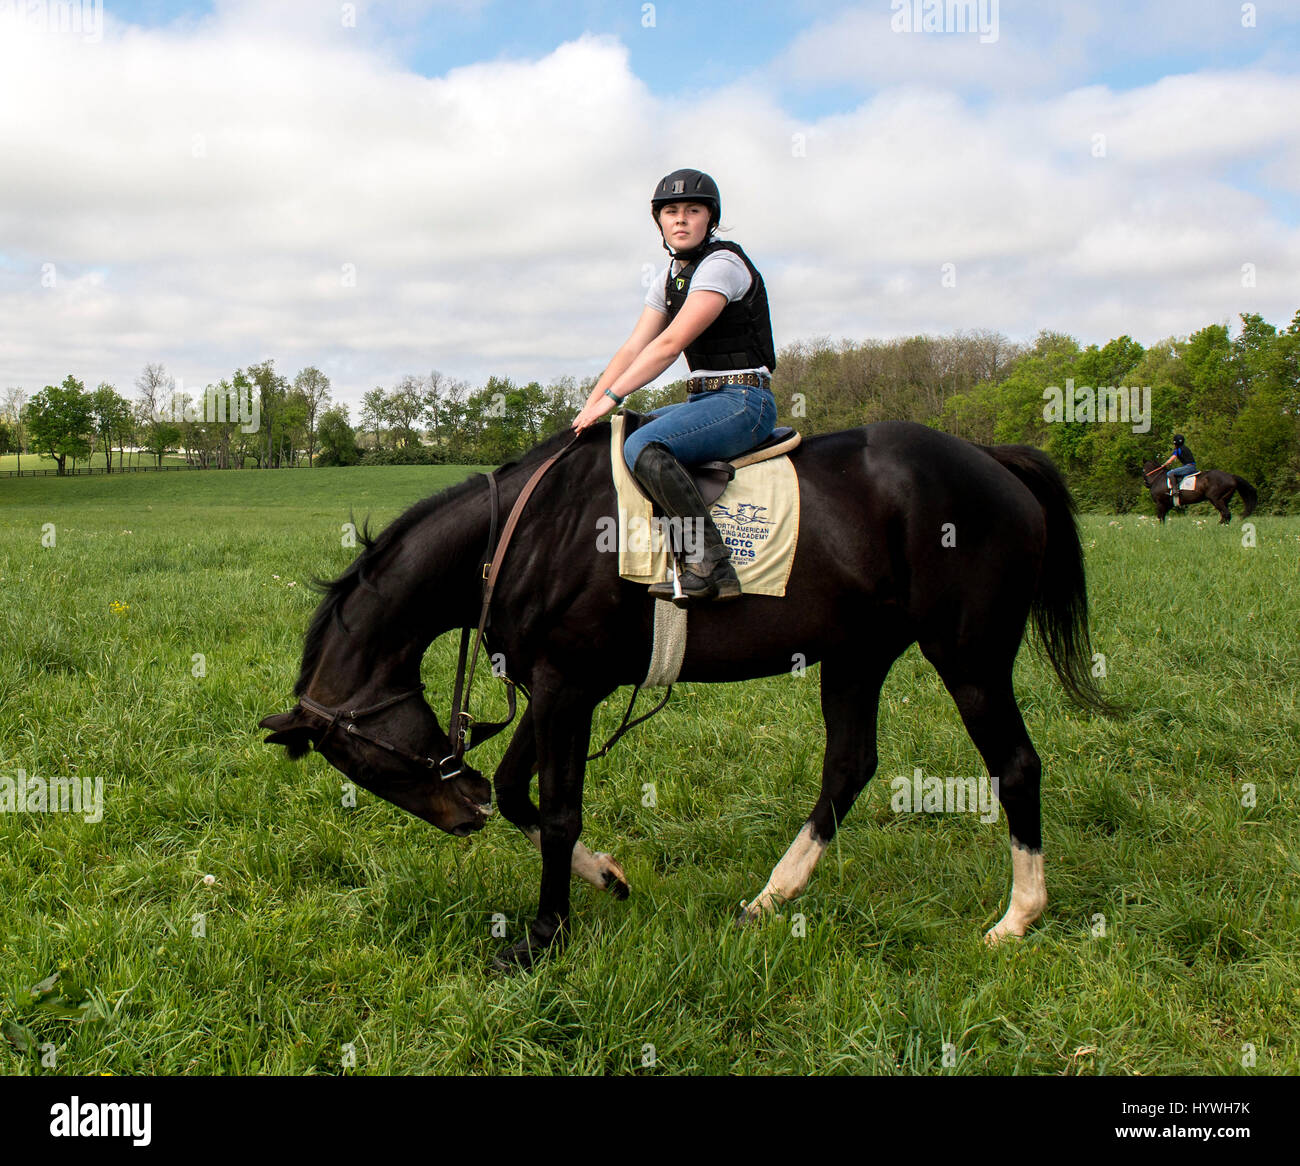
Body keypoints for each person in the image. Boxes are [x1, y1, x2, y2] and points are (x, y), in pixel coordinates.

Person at [571, 168, 778, 605]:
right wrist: (589, 408)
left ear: (710, 219)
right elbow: (634, 347)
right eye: (671, 211)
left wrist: (611, 399)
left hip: (745, 400)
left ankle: (712, 566)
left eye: (692, 210)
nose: (680, 219)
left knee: (643, 446)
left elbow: (667, 345)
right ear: (660, 222)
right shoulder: (668, 277)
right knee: (620, 432)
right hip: (705, 397)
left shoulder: (723, 265)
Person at [1159, 433, 1197, 507]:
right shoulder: (1185, 448)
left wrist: (1164, 464)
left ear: (1175, 442)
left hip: (1188, 467)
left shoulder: (1178, 449)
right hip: (1192, 466)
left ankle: (1175, 490)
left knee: (1170, 473)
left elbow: (1172, 459)